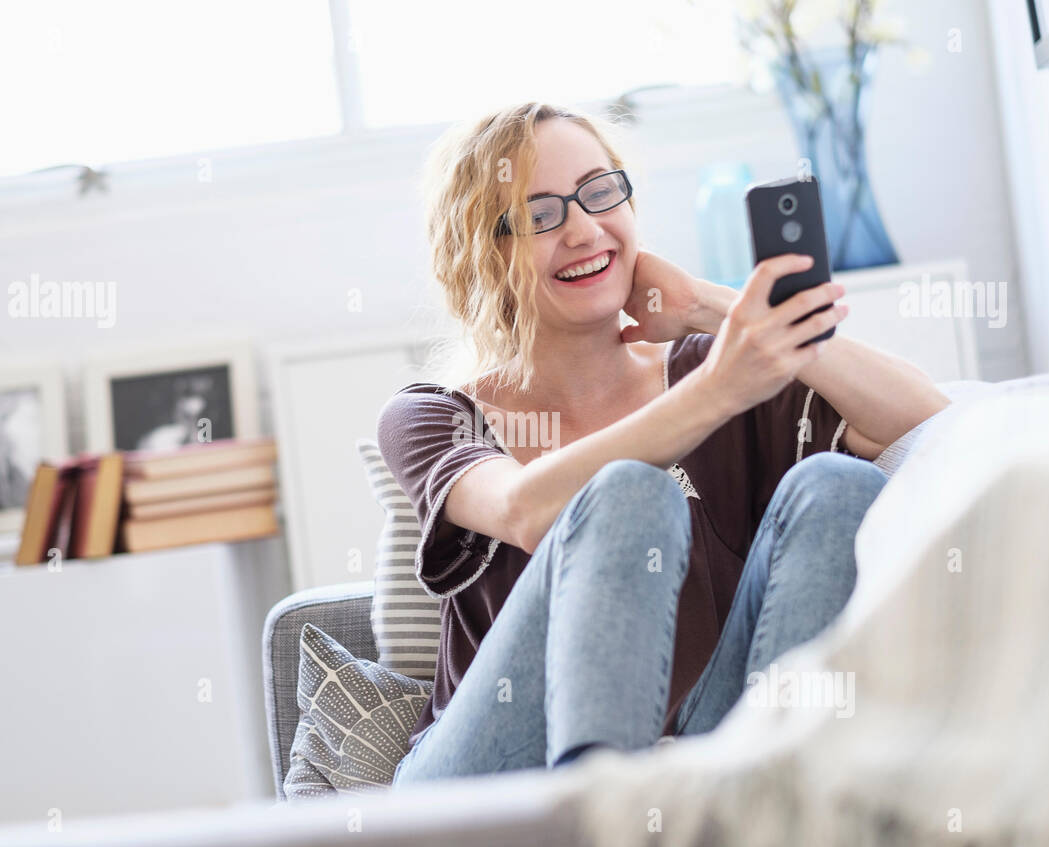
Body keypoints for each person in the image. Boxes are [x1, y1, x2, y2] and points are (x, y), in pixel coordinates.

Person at [377, 101, 950, 784]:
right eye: (539, 216)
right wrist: (718, 392)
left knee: (842, 487)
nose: (586, 230)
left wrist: (710, 308)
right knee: (624, 493)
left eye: (599, 192)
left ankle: (769, 810)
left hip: (699, 762)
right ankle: (599, 819)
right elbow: (525, 511)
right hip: (488, 779)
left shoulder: (713, 365)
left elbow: (922, 424)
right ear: (482, 252)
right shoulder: (432, 417)